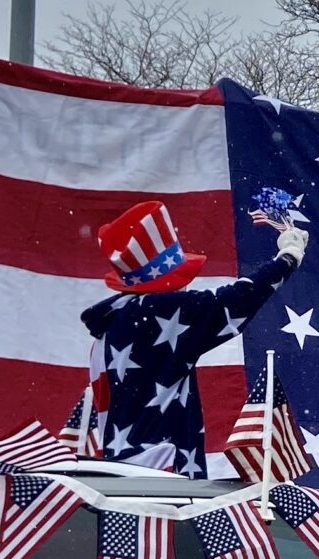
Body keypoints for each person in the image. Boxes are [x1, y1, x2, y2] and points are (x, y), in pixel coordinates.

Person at [76, 200, 307, 476]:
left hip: (118, 470)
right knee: (164, 522)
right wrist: (287, 259)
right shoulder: (161, 311)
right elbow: (234, 301)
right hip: (161, 475)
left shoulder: (108, 328)